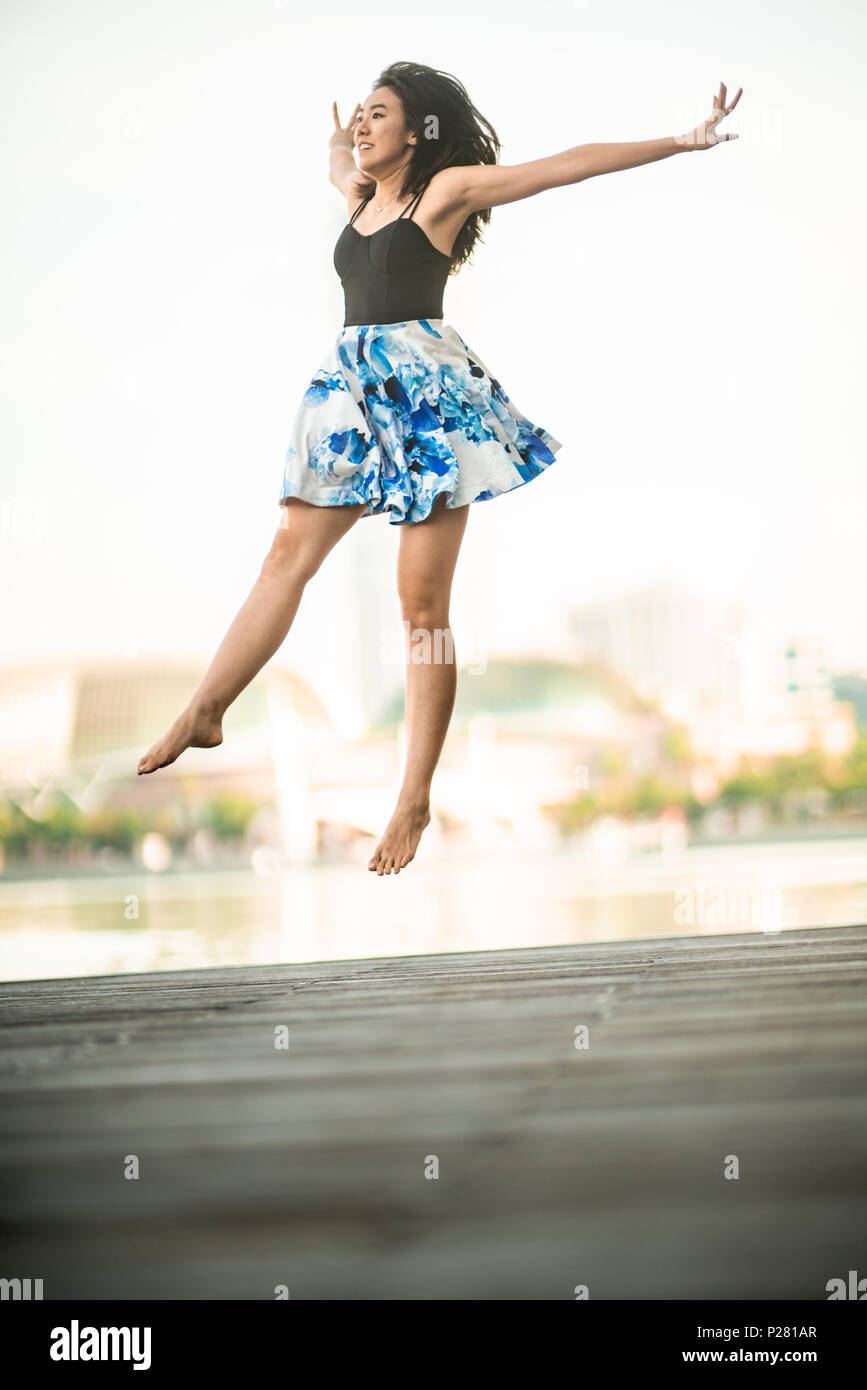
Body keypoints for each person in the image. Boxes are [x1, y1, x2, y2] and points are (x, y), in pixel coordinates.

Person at [137, 62, 742, 877]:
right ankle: (206, 710)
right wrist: (334, 135)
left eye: (377, 114)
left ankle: (413, 796)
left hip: (424, 395)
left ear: (416, 131)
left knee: (420, 608)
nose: (362, 126)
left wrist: (679, 140)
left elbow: (561, 165)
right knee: (284, 556)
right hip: (350, 390)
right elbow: (334, 160)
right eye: (359, 115)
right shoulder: (356, 193)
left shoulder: (446, 190)